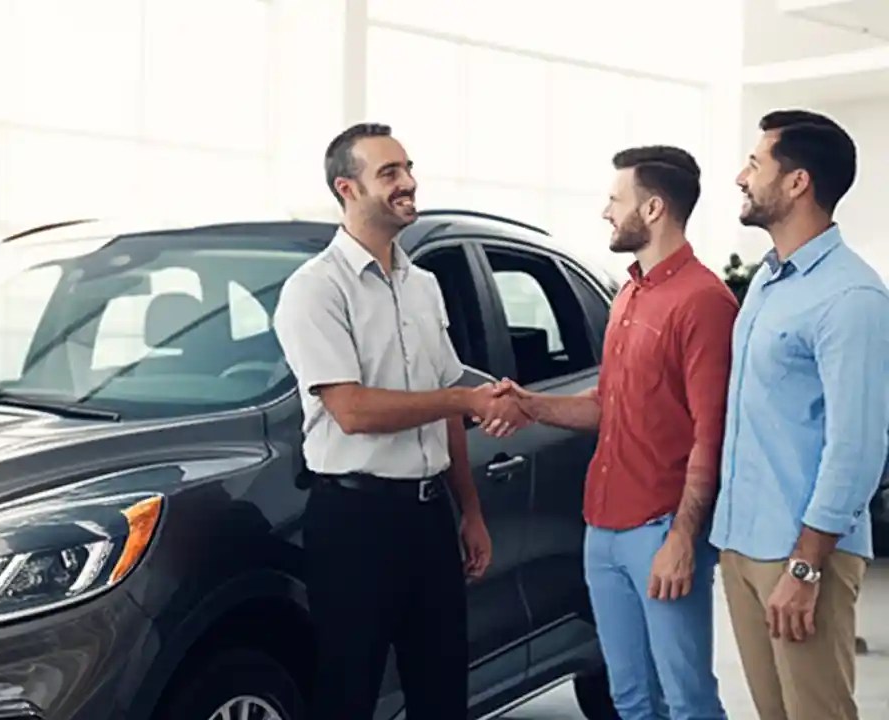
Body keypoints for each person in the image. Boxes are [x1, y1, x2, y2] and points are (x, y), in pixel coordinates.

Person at [271, 122, 525, 720]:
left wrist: (470, 512)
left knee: (441, 690)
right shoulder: (314, 291)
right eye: (390, 173)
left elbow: (445, 402)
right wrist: (463, 401)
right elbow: (352, 411)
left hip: (429, 518)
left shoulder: (424, 285)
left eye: (408, 168)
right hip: (355, 522)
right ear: (347, 188)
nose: (409, 183)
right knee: (349, 693)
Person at [482, 146, 737, 719]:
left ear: (651, 208)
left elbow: (711, 434)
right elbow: (609, 405)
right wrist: (530, 406)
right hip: (603, 527)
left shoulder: (703, 301)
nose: (605, 211)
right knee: (629, 698)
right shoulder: (629, 293)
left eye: (614, 200)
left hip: (662, 528)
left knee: (687, 698)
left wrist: (682, 541)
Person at [710, 109, 889, 720]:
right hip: (743, 544)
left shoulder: (852, 296)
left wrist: (807, 566)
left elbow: (858, 447)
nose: (741, 176)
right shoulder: (768, 282)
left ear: (797, 183)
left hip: (802, 551)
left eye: (755, 164)